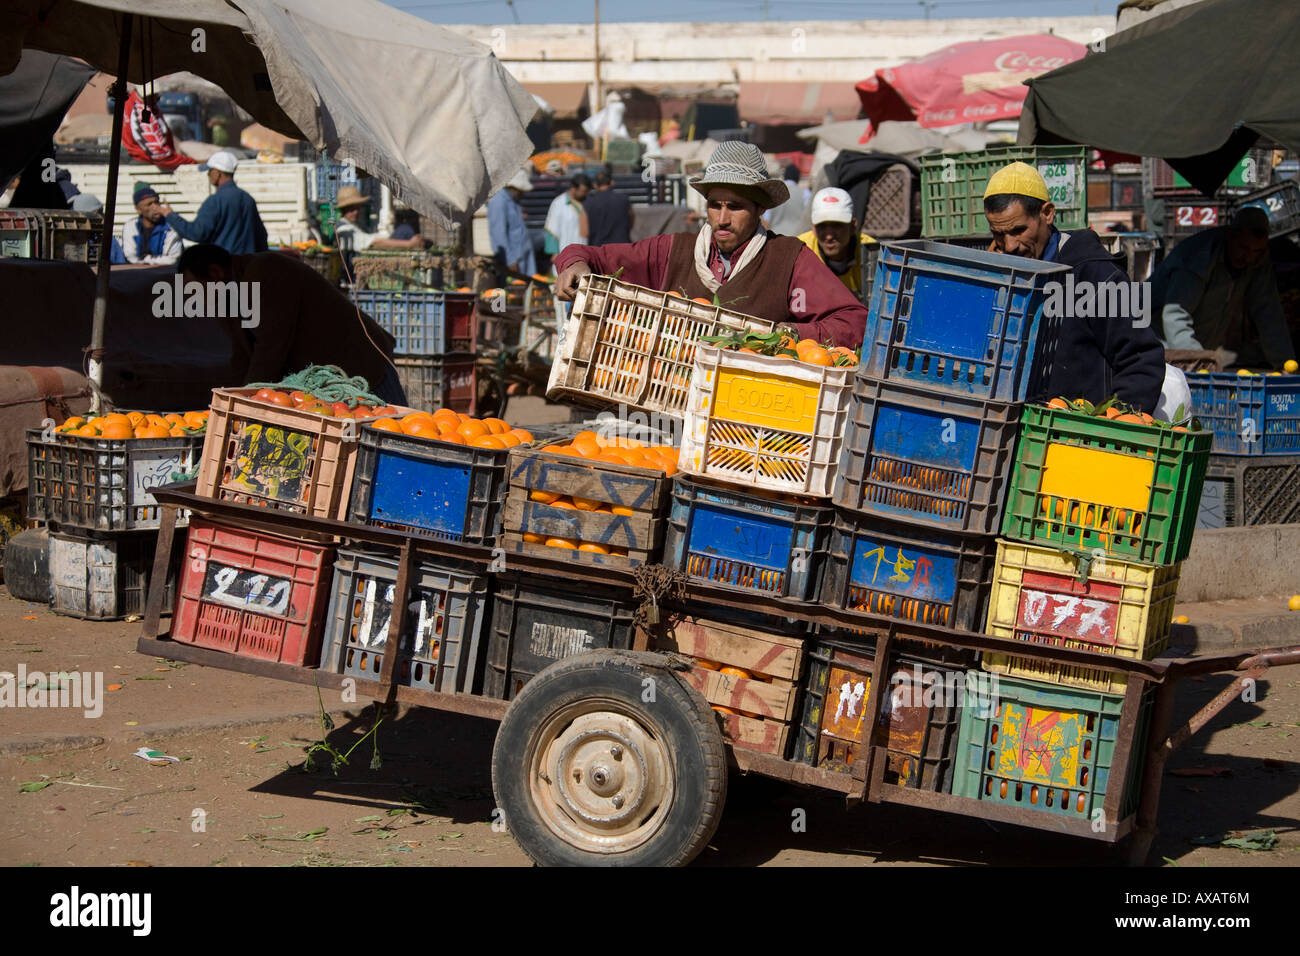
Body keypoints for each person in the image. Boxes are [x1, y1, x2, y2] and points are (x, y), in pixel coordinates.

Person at [554, 141, 869, 347]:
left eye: (735, 207)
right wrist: (574, 264)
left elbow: (854, 321)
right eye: (715, 205)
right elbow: (591, 256)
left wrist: (787, 335)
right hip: (669, 410)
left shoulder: (790, 259)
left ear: (760, 209)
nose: (722, 219)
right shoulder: (672, 251)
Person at [983, 161, 1164, 412]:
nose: (1009, 244)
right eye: (998, 234)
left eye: (1018, 230)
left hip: (1083, 437)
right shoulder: (1003, 278)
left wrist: (1116, 422)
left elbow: (1142, 358)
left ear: (1047, 213)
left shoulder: (1097, 275)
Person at [177, 243, 405, 404]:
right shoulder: (229, 299)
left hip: (363, 365)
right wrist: (232, 398)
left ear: (216, 274)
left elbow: (271, 346)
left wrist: (248, 399)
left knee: (391, 444)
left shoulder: (264, 272)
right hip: (327, 382)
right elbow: (241, 357)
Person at [1151, 206, 1295, 370]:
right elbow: (1175, 316)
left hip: (1196, 347)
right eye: (1243, 248)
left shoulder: (1257, 261)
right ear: (1230, 236)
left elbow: (1269, 313)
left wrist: (1285, 364)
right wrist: (1200, 362)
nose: (1249, 257)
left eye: (1257, 251)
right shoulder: (1199, 256)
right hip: (1158, 340)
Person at [159, 150, 268, 255]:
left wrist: (170, 215)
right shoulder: (247, 198)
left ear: (217, 173)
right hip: (245, 266)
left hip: (222, 267)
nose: (208, 175)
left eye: (209, 171)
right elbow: (261, 236)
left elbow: (197, 233)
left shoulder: (215, 201)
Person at [798, 187, 876, 302]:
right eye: (822, 226)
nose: (829, 236)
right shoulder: (800, 250)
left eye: (837, 226)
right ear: (813, 228)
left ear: (853, 226)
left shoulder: (871, 253)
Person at [331, 185, 424, 252]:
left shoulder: (355, 225)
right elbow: (374, 243)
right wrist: (409, 244)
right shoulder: (344, 231)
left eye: (357, 208)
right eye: (351, 209)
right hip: (360, 265)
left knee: (404, 230)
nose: (355, 212)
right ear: (343, 210)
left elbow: (373, 239)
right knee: (404, 230)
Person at [486, 168, 537, 275]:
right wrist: (510, 261)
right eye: (520, 191)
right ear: (513, 188)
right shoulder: (498, 202)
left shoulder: (513, 201)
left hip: (522, 257)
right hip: (514, 261)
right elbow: (498, 234)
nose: (522, 194)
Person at [121, 183, 183, 265]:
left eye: (157, 202)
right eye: (149, 204)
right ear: (138, 210)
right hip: (141, 273)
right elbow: (130, 257)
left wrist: (146, 260)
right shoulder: (130, 226)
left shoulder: (171, 226)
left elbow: (173, 259)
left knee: (179, 277)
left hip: (172, 273)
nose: (155, 207)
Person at [579, 169, 634, 246]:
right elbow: (631, 223)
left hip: (599, 251)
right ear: (612, 183)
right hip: (623, 249)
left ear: (595, 185)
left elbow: (584, 233)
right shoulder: (624, 200)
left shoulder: (588, 203)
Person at [544, 173, 591, 262]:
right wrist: (554, 252)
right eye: (583, 191)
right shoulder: (559, 203)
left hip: (582, 252)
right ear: (574, 189)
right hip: (564, 253)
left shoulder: (585, 203)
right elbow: (552, 229)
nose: (585, 194)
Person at [764, 163, 811, 236]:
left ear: (785, 176)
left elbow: (766, 220)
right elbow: (808, 217)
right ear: (798, 178)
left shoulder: (773, 192)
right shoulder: (805, 193)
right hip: (798, 237)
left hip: (775, 237)